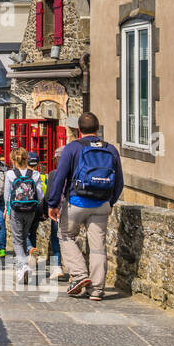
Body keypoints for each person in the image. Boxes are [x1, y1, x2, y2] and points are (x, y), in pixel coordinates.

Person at [46, 113, 124, 302]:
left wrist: (53, 203)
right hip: (101, 204)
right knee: (98, 247)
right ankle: (97, 290)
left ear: (79, 129)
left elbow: (60, 177)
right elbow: (119, 182)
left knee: (66, 235)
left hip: (77, 202)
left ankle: (80, 276)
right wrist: (110, 202)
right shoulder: (110, 149)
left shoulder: (73, 148)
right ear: (98, 129)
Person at [3, 149, 45, 284]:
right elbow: (40, 195)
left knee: (17, 239)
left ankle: (23, 266)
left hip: (16, 209)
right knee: (24, 236)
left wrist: (6, 209)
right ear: (27, 159)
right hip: (31, 210)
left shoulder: (10, 174)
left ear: (13, 161)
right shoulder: (35, 174)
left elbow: (7, 195)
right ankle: (23, 263)